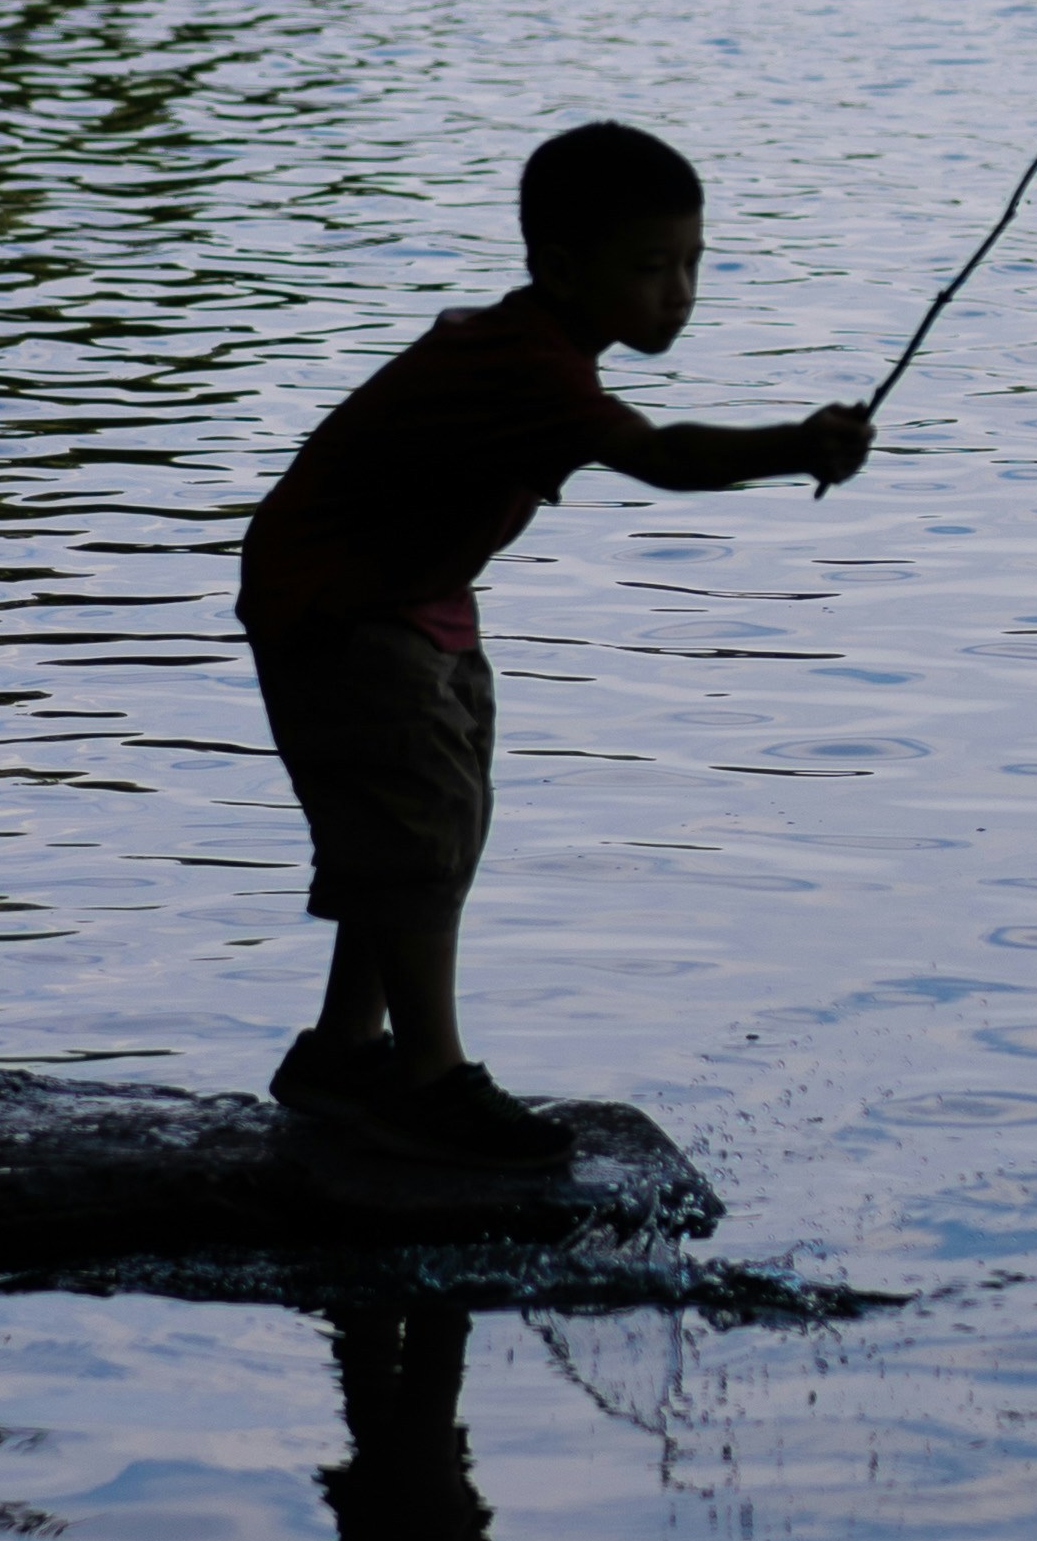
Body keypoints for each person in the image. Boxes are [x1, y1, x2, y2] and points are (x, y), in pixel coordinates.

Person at [239, 120, 872, 1165]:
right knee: (416, 816)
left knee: (435, 816)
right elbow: (661, 456)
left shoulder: (539, 349)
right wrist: (791, 445)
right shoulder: (519, 362)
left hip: (413, 596)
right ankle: (431, 1078)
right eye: (651, 266)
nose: (679, 291)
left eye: (693, 263)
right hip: (338, 603)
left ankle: (347, 1049)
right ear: (561, 268)